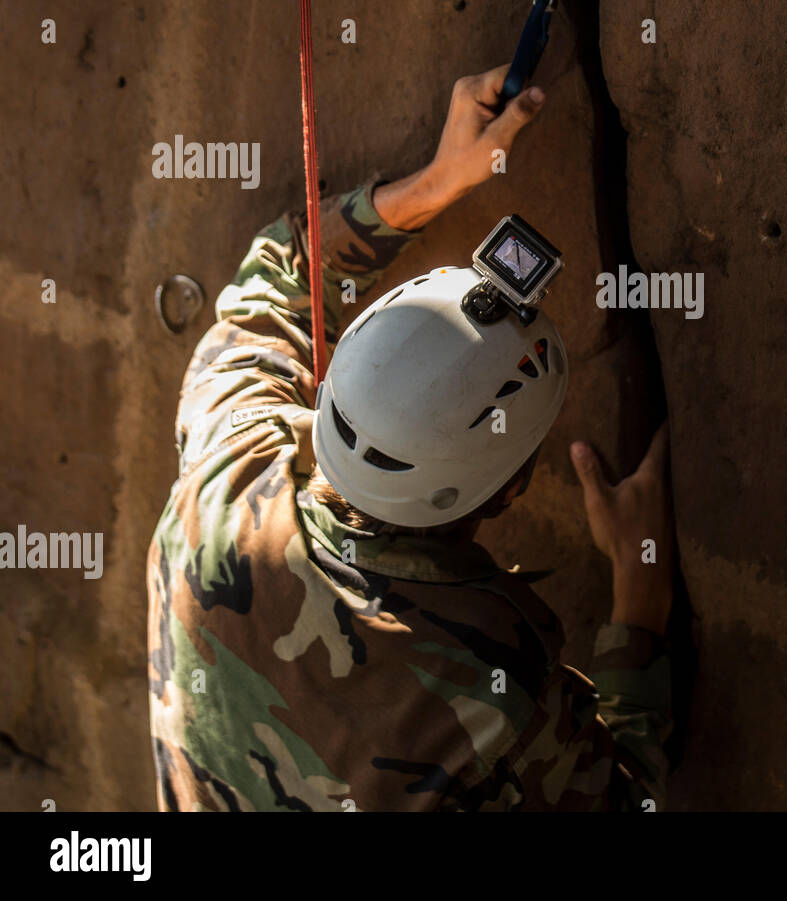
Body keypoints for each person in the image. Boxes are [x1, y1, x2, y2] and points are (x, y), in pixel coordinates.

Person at [146, 67, 676, 811]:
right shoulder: (494, 682)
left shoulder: (225, 468)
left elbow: (282, 274)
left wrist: (437, 179)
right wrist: (639, 604)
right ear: (512, 486)